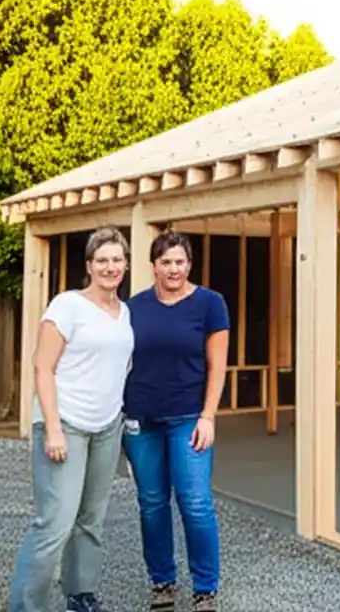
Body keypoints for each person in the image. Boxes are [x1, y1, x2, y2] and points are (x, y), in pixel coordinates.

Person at [9, 226, 134, 612]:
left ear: (126, 265)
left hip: (106, 427)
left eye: (117, 260)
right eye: (103, 260)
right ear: (89, 265)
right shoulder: (67, 305)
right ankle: (26, 606)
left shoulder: (124, 311)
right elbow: (42, 367)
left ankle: (80, 595)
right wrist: (53, 429)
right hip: (65, 425)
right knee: (54, 523)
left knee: (90, 520)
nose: (110, 267)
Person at [122, 230, 229, 612]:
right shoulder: (132, 308)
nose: (173, 269)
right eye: (165, 262)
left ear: (189, 264)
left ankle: (205, 587)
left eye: (180, 261)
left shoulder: (210, 304)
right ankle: (162, 582)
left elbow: (218, 366)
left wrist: (208, 416)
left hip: (189, 417)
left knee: (195, 502)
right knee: (151, 503)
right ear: (153, 266)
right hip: (141, 420)